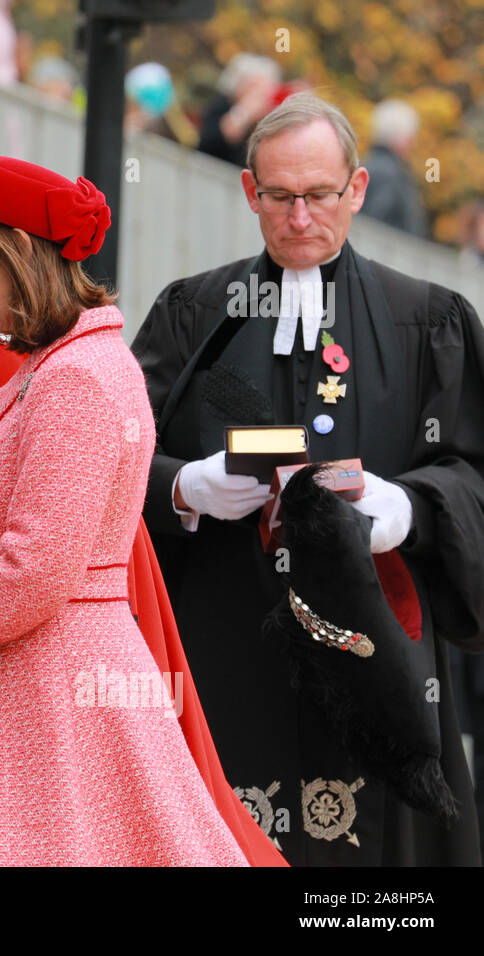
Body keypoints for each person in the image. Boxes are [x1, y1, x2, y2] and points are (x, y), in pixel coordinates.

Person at [0, 153, 249, 866]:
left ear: (21, 253)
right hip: (47, 677)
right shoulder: (65, 365)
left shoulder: (73, 379)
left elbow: (36, 568)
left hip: (51, 689)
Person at [132, 93, 484, 865]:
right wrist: (184, 487)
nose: (299, 218)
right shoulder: (193, 314)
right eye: (280, 197)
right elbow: (114, 455)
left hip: (373, 644)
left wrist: (406, 507)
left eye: (319, 195)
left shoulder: (429, 321)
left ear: (356, 188)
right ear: (249, 192)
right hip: (227, 634)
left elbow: (471, 471)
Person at [359, 98, 428, 238]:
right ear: (399, 137)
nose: (412, 144)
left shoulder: (368, 164)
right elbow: (374, 225)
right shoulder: (390, 175)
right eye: (410, 138)